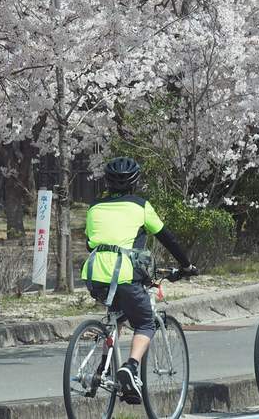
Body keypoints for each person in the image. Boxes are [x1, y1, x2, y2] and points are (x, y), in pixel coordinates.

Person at [82, 157, 198, 404]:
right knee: (145, 322)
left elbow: (90, 243)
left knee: (116, 316)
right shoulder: (140, 206)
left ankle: (103, 367)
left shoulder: (94, 207)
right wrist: (186, 265)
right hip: (124, 275)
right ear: (135, 182)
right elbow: (167, 238)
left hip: (94, 276)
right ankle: (131, 367)